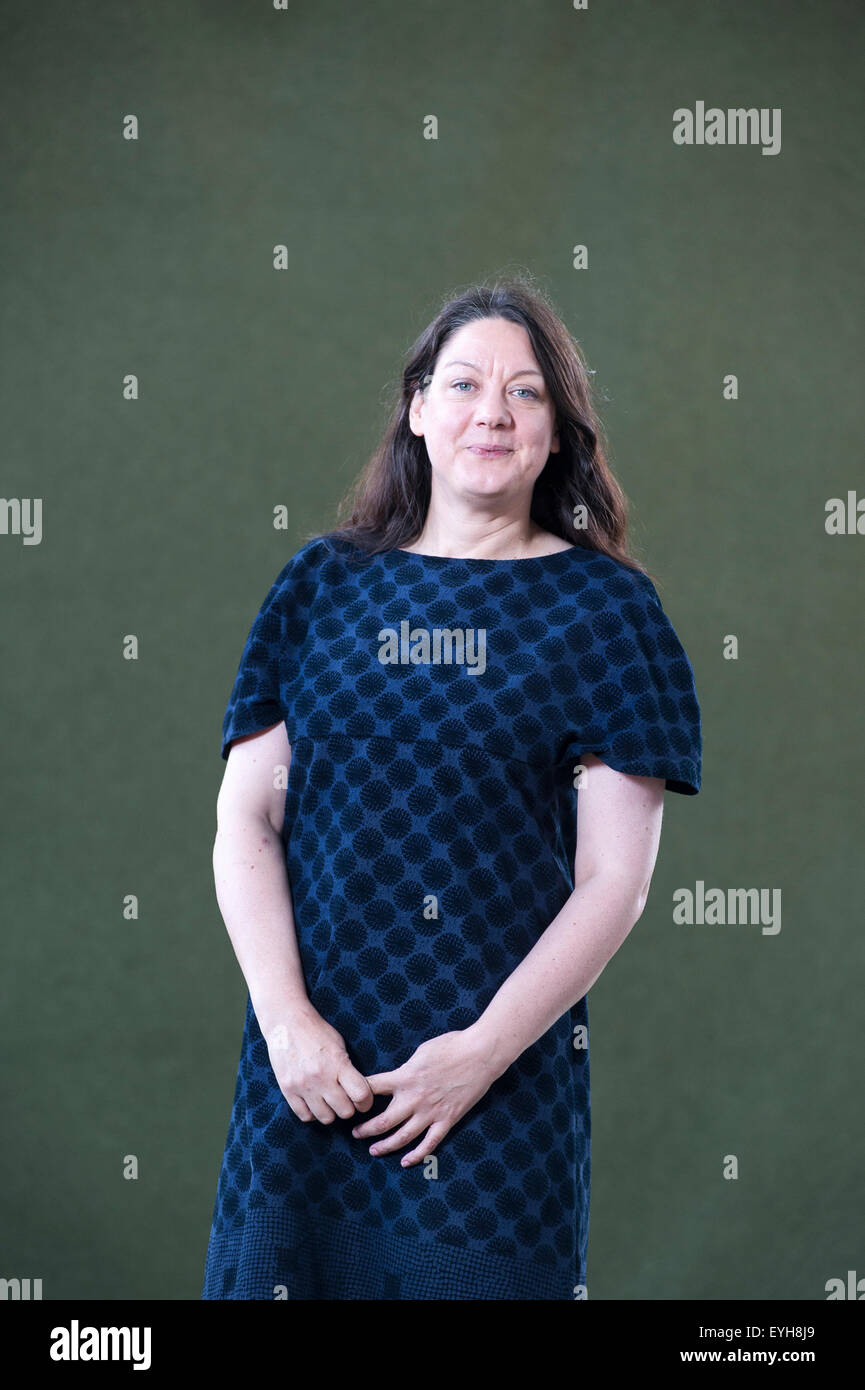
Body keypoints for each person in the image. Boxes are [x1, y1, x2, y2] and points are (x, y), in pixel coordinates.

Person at [201, 277, 702, 1300]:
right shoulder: (320, 583)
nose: (493, 412)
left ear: (558, 433)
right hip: (304, 1080)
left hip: (494, 1098)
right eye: (464, 383)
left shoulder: (608, 611)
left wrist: (476, 1055)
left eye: (526, 394)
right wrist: (288, 1020)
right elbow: (246, 818)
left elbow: (613, 880)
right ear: (417, 408)